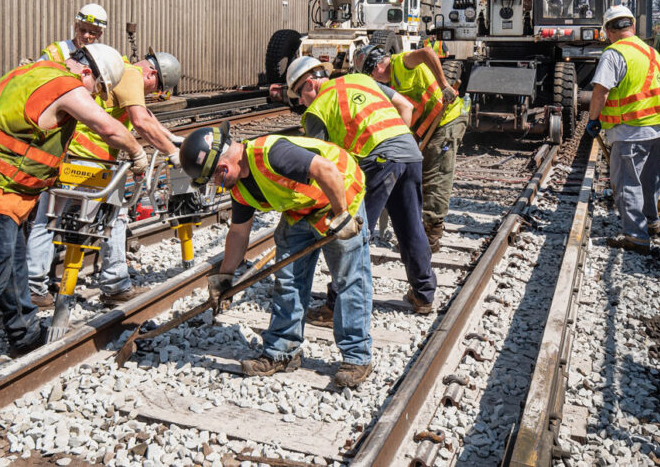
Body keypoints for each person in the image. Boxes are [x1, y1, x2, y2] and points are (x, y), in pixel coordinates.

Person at [0, 45, 147, 397]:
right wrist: (137, 152)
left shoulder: (29, 74)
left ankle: (24, 335)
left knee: (13, 265)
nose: (93, 97)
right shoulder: (64, 84)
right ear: (87, 73)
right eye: (97, 90)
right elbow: (106, 125)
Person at [180, 123, 374, 389]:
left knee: (349, 280)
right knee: (288, 279)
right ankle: (282, 351)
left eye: (212, 179)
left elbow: (326, 169)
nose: (215, 185)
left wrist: (342, 215)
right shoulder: (240, 188)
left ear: (223, 169)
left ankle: (357, 357)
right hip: (301, 208)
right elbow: (238, 233)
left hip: (338, 195)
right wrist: (225, 275)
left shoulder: (272, 154)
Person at [26, 49, 183, 306]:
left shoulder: (120, 71)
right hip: (94, 162)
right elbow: (141, 121)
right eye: (157, 89)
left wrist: (172, 139)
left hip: (66, 155)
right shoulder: (132, 76)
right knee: (116, 217)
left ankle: (32, 288)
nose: (153, 95)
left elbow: (150, 119)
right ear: (152, 75)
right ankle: (115, 285)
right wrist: (172, 153)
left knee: (47, 219)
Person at [284, 56, 435, 318]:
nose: (300, 102)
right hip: (409, 153)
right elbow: (405, 106)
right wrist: (397, 143)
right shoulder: (362, 79)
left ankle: (335, 307)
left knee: (350, 233)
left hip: (378, 161)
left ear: (309, 84)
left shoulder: (317, 110)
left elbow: (319, 164)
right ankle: (423, 295)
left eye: (298, 94)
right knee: (411, 225)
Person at [354, 43, 466, 252]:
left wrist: (444, 85)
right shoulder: (390, 83)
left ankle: (430, 237)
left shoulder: (402, 63)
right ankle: (418, 231)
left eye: (370, 75)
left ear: (377, 67)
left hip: (447, 120)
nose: (373, 81)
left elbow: (427, 53)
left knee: (437, 177)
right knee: (418, 177)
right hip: (426, 128)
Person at [586, 5, 660, 253]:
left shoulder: (613, 54)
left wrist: (594, 120)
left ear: (607, 31)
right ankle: (652, 222)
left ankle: (636, 236)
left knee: (627, 182)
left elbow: (600, 92)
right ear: (632, 26)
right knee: (651, 177)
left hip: (633, 128)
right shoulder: (652, 51)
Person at [40, 3, 109, 62]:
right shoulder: (56, 52)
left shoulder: (101, 59)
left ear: (99, 35)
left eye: (92, 33)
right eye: (82, 30)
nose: (86, 35)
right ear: (76, 27)